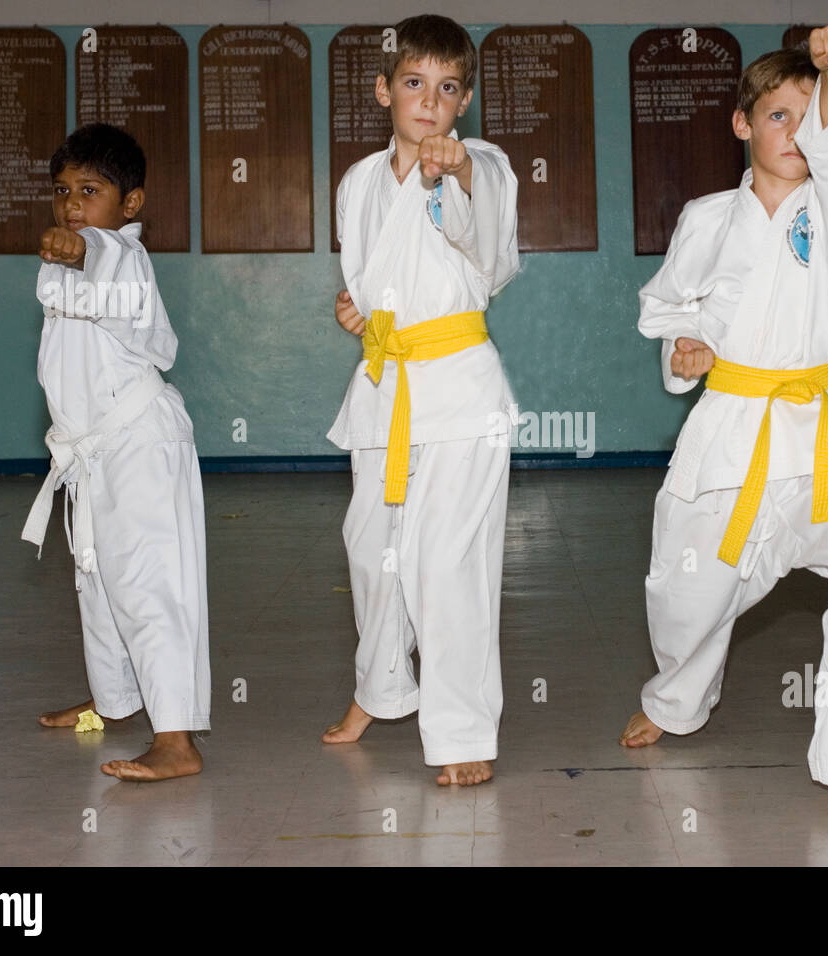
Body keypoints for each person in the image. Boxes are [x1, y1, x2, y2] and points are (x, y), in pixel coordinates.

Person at [620, 27, 828, 818]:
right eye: (778, 115)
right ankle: (675, 700)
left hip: (822, 436)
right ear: (743, 124)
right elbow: (664, 307)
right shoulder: (706, 217)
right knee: (689, 596)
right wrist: (685, 351)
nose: (796, 132)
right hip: (729, 428)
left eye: (809, 115)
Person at [322, 14, 519, 787]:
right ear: (384, 90)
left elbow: (487, 251)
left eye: (446, 89)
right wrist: (358, 315)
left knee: (450, 562)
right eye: (413, 84)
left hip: (461, 394)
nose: (428, 102)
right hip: (381, 387)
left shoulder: (483, 164)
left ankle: (464, 729)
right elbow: (374, 279)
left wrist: (455, 173)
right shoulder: (358, 183)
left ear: (463, 100)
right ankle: (381, 689)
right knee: (372, 553)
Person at [25, 123, 211, 782]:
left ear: (129, 204)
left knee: (149, 588)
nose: (72, 204)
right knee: (98, 586)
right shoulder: (69, 258)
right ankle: (113, 702)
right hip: (96, 454)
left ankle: (177, 739)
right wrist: (68, 255)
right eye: (63, 191)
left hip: (138, 447)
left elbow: (98, 255)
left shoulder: (116, 252)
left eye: (91, 190)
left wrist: (78, 249)